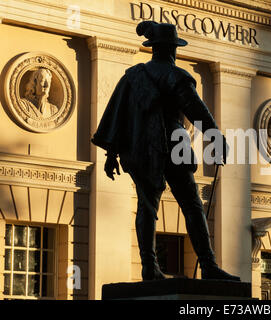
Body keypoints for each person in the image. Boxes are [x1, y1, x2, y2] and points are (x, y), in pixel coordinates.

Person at [91, 21, 239, 282]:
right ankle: (207, 264)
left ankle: (149, 266)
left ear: (153, 48)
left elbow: (117, 115)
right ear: (172, 49)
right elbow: (196, 110)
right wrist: (215, 137)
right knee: (192, 205)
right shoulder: (175, 76)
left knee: (147, 206)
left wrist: (111, 155)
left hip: (141, 149)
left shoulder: (132, 77)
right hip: (173, 147)